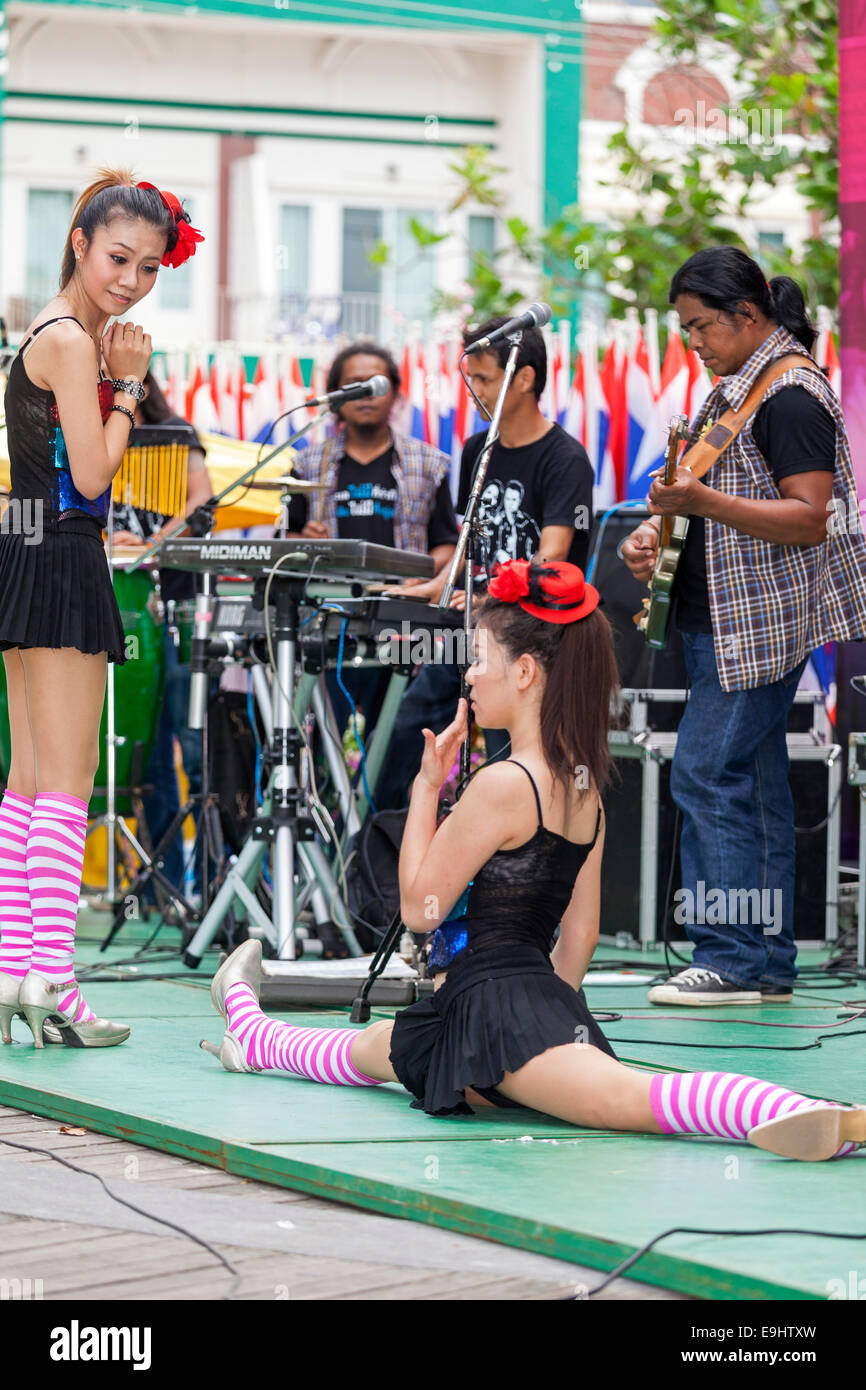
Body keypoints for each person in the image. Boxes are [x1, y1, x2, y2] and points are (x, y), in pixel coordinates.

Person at [200, 557, 864, 1163]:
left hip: (495, 1005)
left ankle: (810, 1116)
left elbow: (418, 910)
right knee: (372, 1051)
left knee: (616, 1099)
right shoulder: (585, 789)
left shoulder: (501, 785)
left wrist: (426, 789)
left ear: (524, 671)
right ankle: (245, 1019)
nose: (468, 673)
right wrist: (552, 1012)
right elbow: (578, 938)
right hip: (514, 1001)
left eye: (480, 656)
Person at [621, 247, 866, 1006]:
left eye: (701, 326)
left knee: (704, 770)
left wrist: (702, 507)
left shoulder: (790, 394)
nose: (693, 342)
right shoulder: (735, 389)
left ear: (747, 315)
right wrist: (654, 535)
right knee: (754, 785)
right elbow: (699, 496)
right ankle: (764, 961)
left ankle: (727, 956)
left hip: (756, 624)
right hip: (719, 618)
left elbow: (807, 518)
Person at [0, 167, 204, 1048]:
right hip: (63, 553)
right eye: (119, 257)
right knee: (67, 783)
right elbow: (90, 475)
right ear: (79, 243)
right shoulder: (77, 343)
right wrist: (128, 386)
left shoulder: (48, 331)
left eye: (151, 267)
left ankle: (20, 980)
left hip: (25, 551)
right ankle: (55, 983)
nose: (131, 280)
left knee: (28, 782)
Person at [373, 315, 594, 810]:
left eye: (485, 378)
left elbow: (553, 554)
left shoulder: (565, 458)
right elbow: (469, 547)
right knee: (411, 728)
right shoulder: (478, 450)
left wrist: (488, 596)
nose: (473, 390)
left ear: (524, 378)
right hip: (466, 627)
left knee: (506, 760)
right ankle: (387, 852)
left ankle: (504, 870)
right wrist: (429, 589)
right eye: (469, 377)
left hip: (527, 637)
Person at [285, 341, 458, 738]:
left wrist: (426, 580)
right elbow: (285, 539)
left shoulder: (429, 463)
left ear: (395, 393)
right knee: (319, 742)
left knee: (397, 739)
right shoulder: (306, 464)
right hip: (328, 618)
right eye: (353, 384)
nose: (365, 394)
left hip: (402, 623)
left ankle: (389, 804)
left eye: (374, 384)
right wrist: (303, 538)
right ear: (335, 396)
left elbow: (447, 540)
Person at [110, 369, 214, 903]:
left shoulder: (177, 434)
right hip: (113, 602)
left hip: (171, 602)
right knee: (142, 749)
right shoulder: (91, 432)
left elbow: (202, 506)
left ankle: (179, 882)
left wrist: (147, 543)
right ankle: (153, 887)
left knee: (181, 738)